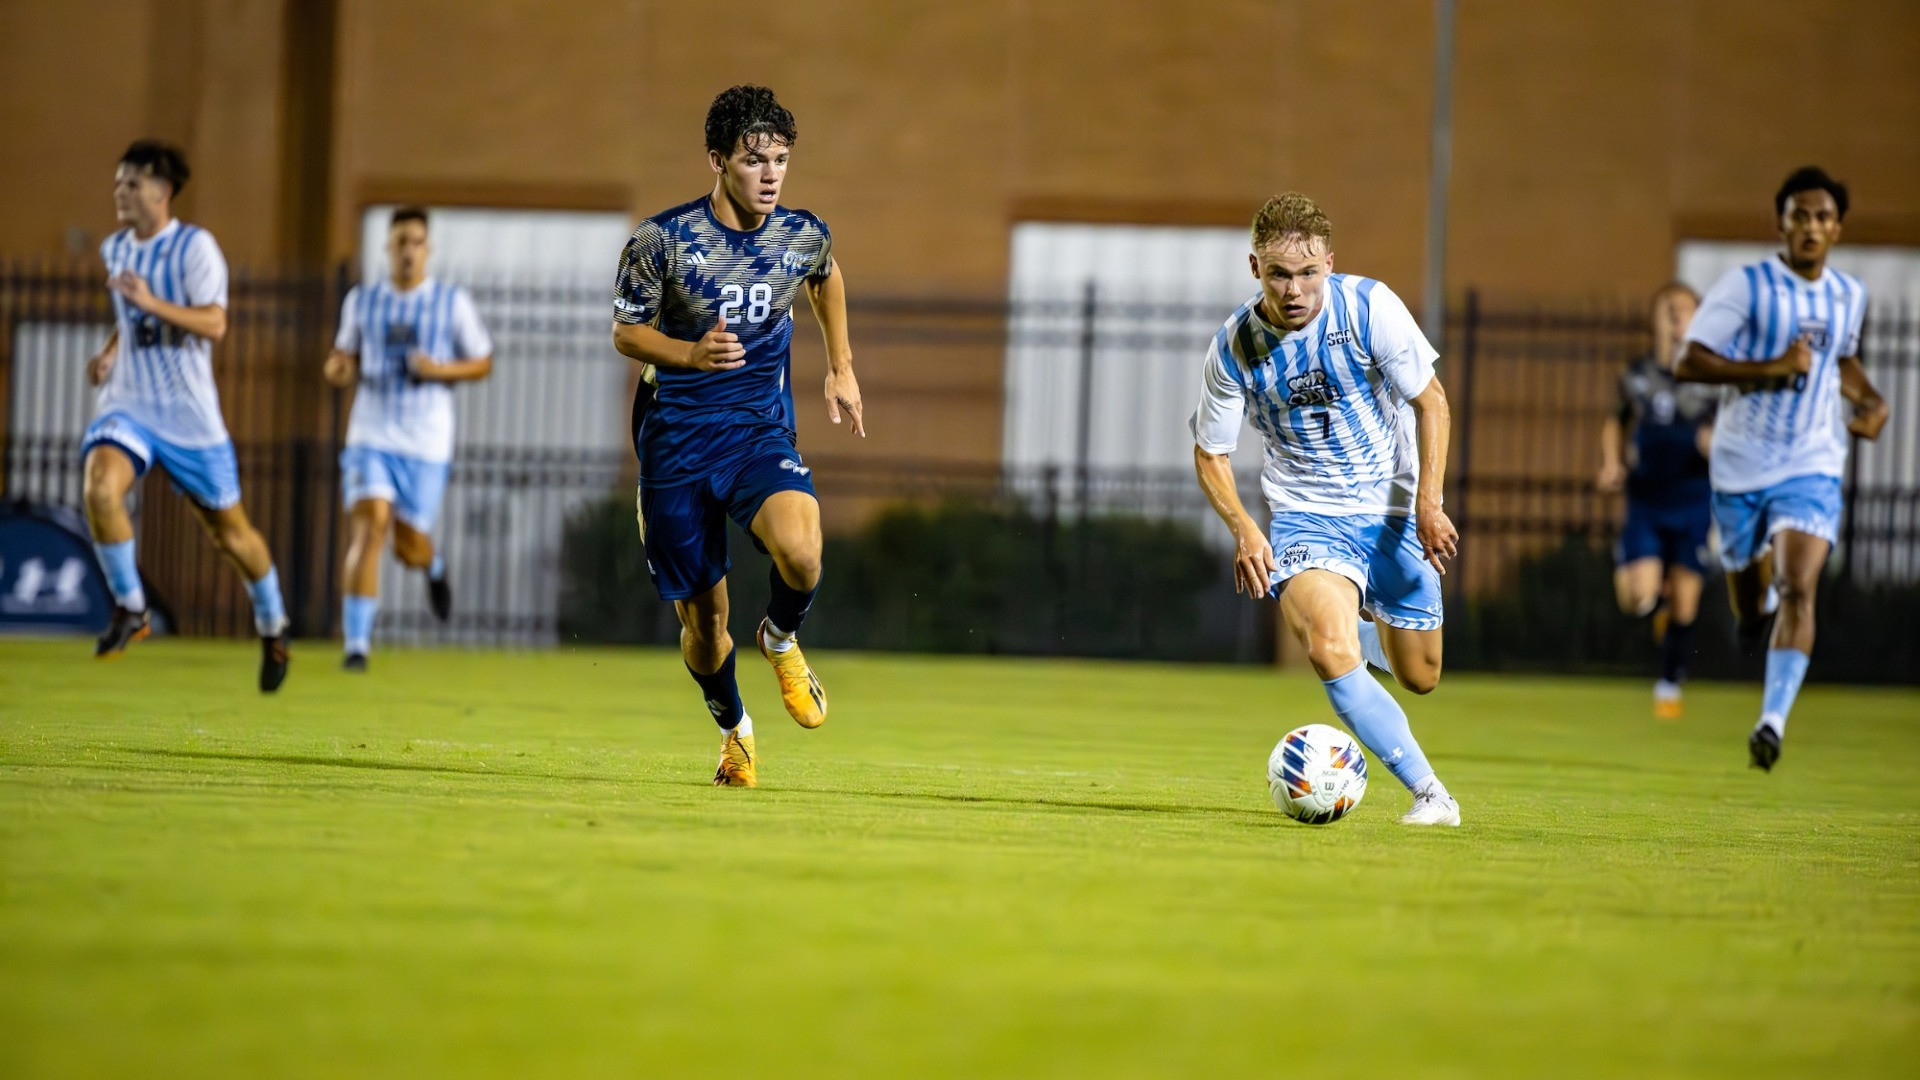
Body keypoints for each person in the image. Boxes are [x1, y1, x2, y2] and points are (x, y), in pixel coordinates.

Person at [610, 85, 864, 788]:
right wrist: (690, 355)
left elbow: (825, 274)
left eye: (781, 159)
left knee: (804, 550)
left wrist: (840, 368)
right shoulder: (663, 241)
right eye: (756, 160)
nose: (771, 173)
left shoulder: (800, 233)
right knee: (704, 626)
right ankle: (735, 731)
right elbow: (625, 331)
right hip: (676, 442)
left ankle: (781, 637)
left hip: (755, 431)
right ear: (718, 159)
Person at [1191, 192, 1462, 826]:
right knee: (1326, 648)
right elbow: (1211, 454)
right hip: (1307, 514)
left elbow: (1433, 403)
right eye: (1279, 273)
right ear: (1254, 267)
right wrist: (1246, 528)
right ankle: (1432, 794)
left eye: (1309, 273)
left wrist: (1429, 501)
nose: (1295, 289)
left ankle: (1363, 625)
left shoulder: (1371, 308)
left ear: (1330, 265)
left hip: (1392, 508)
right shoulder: (1234, 347)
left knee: (1421, 677)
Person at [1678, 166, 1889, 771]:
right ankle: (1752, 609)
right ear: (1782, 224)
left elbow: (1842, 358)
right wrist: (1770, 367)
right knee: (1750, 598)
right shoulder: (1746, 287)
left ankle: (1771, 721)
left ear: (1837, 229)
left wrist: (1870, 401)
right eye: (1801, 215)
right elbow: (1690, 362)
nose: (1811, 227)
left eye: (1823, 217)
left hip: (1812, 459)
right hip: (1741, 465)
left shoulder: (1851, 295)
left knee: (1800, 585)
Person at [81, 140, 291, 691]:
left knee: (232, 536)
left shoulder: (196, 248)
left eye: (131, 183)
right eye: (118, 182)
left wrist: (150, 304)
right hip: (130, 404)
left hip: (190, 418)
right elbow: (131, 320)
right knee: (102, 486)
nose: (119, 192)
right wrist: (111, 349)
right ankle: (131, 607)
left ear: (162, 190)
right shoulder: (114, 248)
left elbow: (215, 324)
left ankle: (272, 623)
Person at [323, 207, 494, 671]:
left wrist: (439, 369)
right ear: (387, 247)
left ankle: (432, 565)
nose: (408, 250)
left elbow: (482, 361)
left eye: (416, 241)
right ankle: (357, 645)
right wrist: (338, 367)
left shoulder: (449, 302)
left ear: (428, 249)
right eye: (400, 241)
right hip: (370, 434)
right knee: (371, 523)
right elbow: (343, 356)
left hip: (426, 442)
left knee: (406, 543)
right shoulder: (363, 301)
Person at [1597, 283, 1716, 719]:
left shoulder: (1712, 376)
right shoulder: (1638, 374)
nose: (1676, 318)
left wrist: (1715, 444)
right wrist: (1612, 461)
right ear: (1656, 319)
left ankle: (1669, 682)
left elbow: (1733, 430)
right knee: (1637, 599)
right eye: (1668, 309)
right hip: (1647, 497)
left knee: (1686, 602)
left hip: (1693, 498)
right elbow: (1615, 421)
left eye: (1685, 310)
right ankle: (1651, 594)